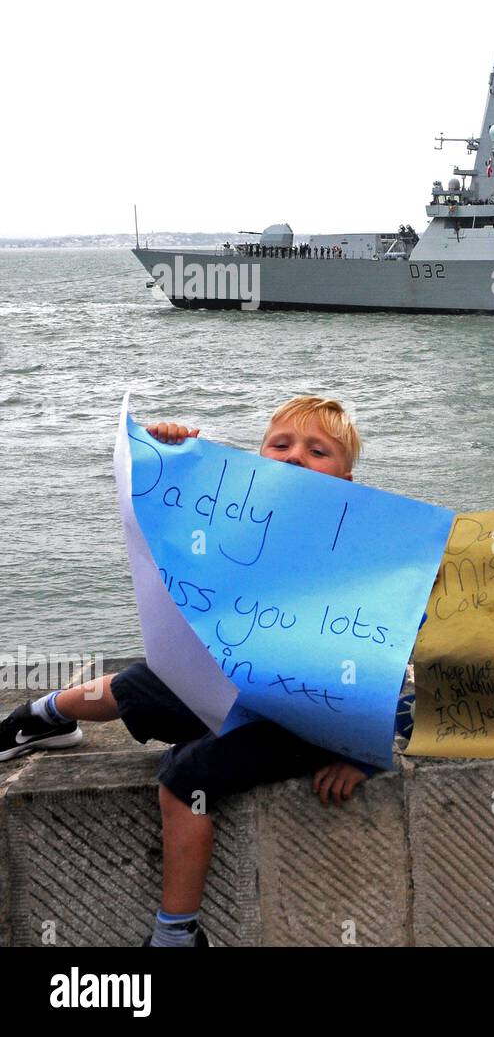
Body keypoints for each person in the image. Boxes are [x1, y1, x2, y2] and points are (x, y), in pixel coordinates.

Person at [0, 397, 375, 947]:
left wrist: (361, 750)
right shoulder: (242, 519)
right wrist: (170, 454)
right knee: (138, 686)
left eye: (317, 451)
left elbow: (383, 651)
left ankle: (176, 934)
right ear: (257, 459)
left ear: (347, 480)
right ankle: (42, 715)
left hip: (304, 715)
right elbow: (171, 518)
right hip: (232, 681)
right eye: (281, 445)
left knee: (185, 780)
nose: (295, 457)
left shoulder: (367, 546)